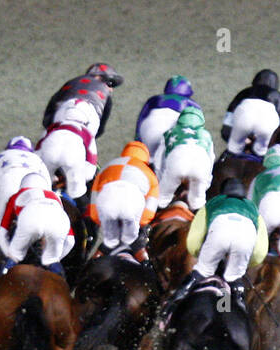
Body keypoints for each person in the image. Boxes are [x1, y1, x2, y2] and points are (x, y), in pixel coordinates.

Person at [161, 179, 267, 320]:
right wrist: (246, 263)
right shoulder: (254, 209)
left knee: (201, 271)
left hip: (219, 235)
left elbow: (194, 239)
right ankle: (235, 313)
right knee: (233, 278)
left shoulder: (213, 202)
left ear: (222, 192)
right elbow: (260, 250)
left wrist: (201, 255)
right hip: (245, 239)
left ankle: (169, 309)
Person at [88, 141, 161, 258]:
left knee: (110, 241)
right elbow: (149, 211)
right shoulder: (150, 173)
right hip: (131, 206)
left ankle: (92, 261)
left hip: (106, 203)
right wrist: (141, 223)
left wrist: (98, 219)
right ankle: (145, 262)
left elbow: (94, 200)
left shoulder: (107, 166)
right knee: (133, 239)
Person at [0, 171, 75, 276]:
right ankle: (60, 278)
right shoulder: (56, 197)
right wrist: (52, 259)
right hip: (58, 220)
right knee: (52, 261)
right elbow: (70, 241)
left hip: (30, 218)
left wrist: (11, 255)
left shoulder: (17, 195)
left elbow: (1, 234)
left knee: (14, 256)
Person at [0, 136, 51, 238]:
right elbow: (48, 193)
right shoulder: (39, 161)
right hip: (35, 193)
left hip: (8, 186)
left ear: (8, 148)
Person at [42, 63, 124, 138]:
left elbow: (49, 111)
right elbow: (100, 129)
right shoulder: (106, 95)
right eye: (109, 83)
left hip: (57, 125)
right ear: (98, 77)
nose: (111, 89)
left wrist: (50, 128)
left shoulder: (70, 83)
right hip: (84, 129)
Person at [157, 107, 216, 211]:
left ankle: (148, 224)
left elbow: (159, 158)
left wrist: (160, 178)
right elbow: (211, 159)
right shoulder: (206, 135)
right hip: (201, 166)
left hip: (177, 165)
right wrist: (206, 183)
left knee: (162, 198)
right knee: (198, 201)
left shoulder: (170, 132)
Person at [221, 69, 280, 157]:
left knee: (232, 149)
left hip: (243, 123)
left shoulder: (243, 93)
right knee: (263, 153)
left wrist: (233, 138)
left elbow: (227, 124)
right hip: (266, 127)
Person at [135, 75, 200, 164]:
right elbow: (197, 129)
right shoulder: (192, 105)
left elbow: (140, 119)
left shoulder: (153, 99)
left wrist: (138, 138)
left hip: (146, 138)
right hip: (171, 145)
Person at [36, 112, 99, 201]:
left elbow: (36, 153)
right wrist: (78, 179)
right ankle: (84, 212)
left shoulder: (52, 127)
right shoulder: (87, 133)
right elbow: (90, 171)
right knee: (78, 192)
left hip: (49, 155)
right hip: (71, 159)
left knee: (41, 184)